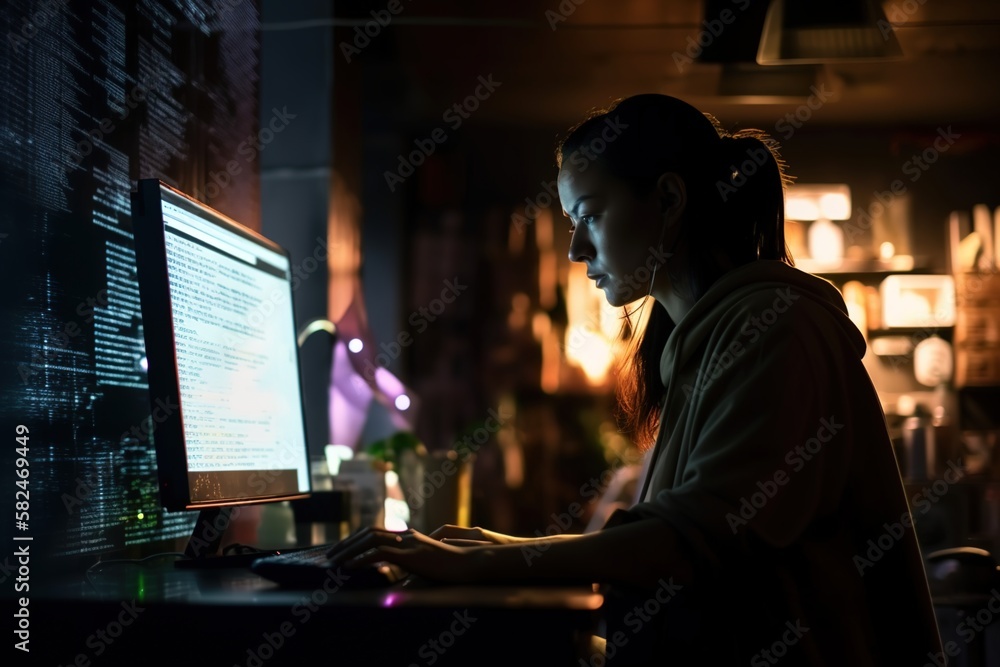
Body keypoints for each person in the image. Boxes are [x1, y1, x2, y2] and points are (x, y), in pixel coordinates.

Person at [328, 93, 944, 665]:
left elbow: (693, 542)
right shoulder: (716, 332)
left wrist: (489, 563)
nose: (575, 249)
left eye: (590, 215)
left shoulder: (773, 328)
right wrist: (496, 552)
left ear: (670, 201)